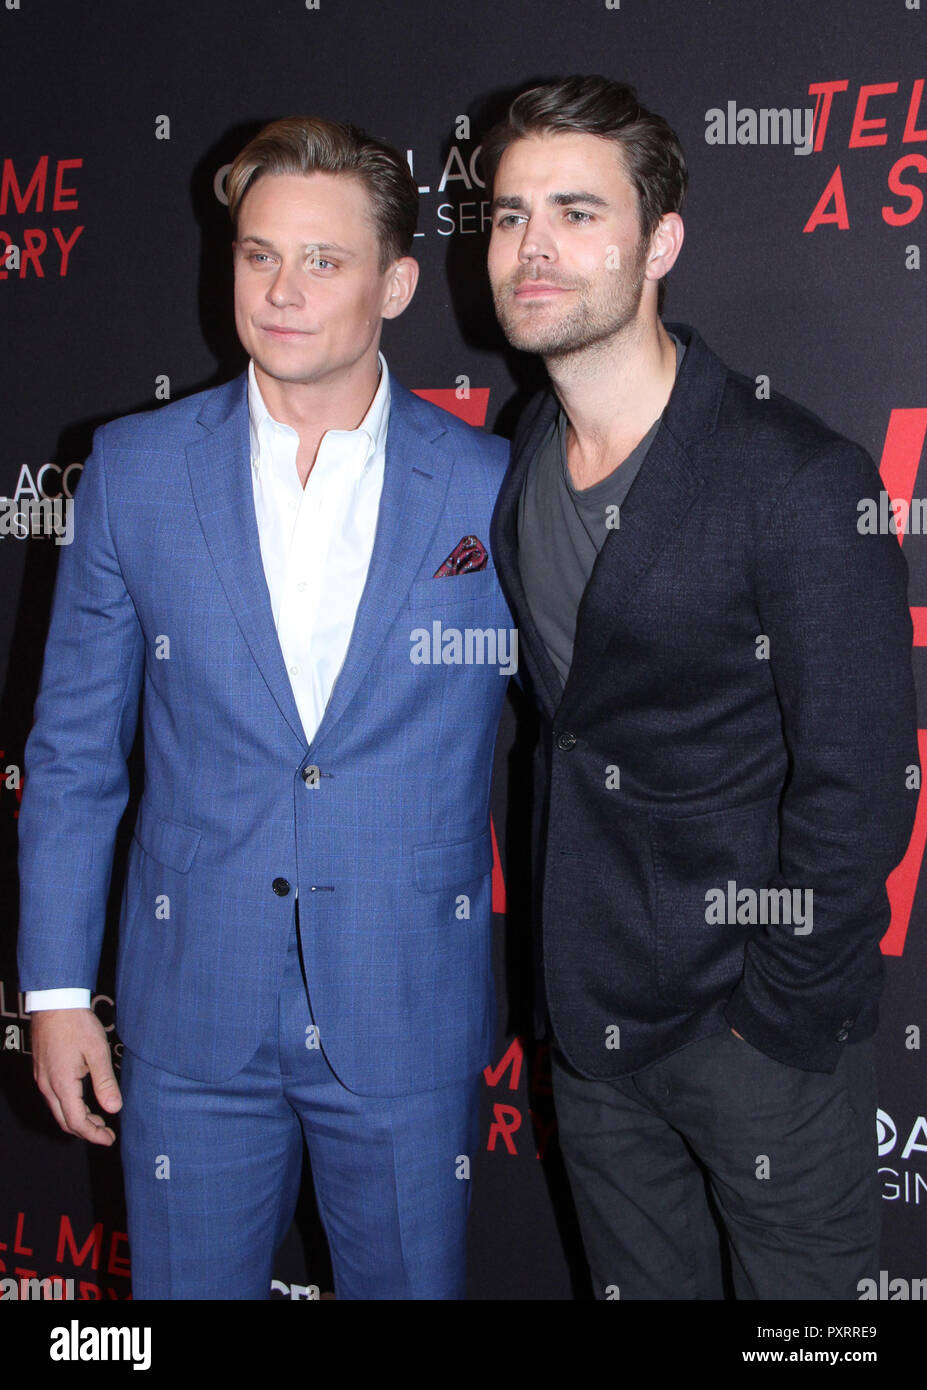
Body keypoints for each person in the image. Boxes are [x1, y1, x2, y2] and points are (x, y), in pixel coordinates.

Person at [18, 115, 512, 1300]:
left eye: (324, 261)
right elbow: (78, 750)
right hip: (190, 1013)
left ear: (396, 281)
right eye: (257, 255)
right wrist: (50, 990)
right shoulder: (134, 469)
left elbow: (590, 736)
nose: (282, 293)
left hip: (407, 1007)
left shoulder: (494, 485)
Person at [483, 75, 918, 1300]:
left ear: (660, 241)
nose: (535, 249)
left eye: (578, 212)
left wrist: (772, 1019)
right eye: (512, 216)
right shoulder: (525, 457)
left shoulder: (793, 478)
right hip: (594, 1028)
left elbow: (859, 788)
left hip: (755, 1034)